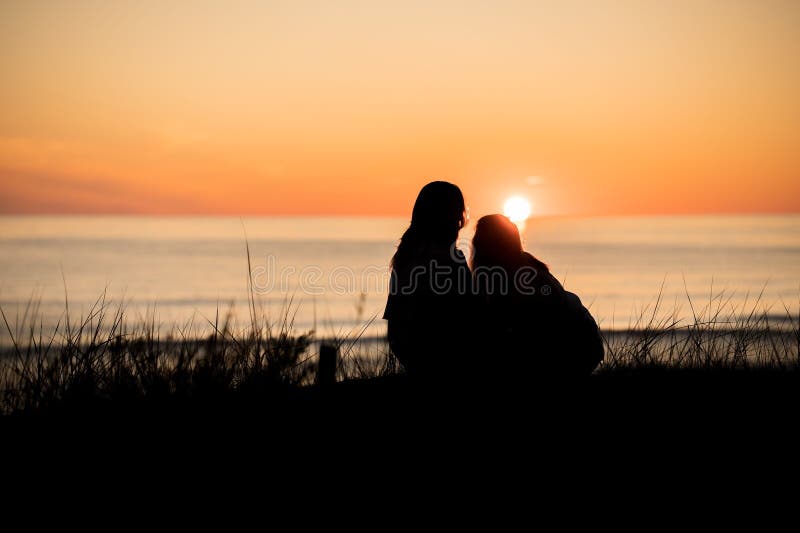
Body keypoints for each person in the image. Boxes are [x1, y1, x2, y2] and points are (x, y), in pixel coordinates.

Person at [471, 214, 603, 377]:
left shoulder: (521, 277)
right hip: (578, 343)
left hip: (578, 349)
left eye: (478, 238)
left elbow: (533, 330)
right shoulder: (517, 267)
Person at [383, 181, 480, 380]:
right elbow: (469, 314)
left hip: (414, 357)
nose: (459, 223)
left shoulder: (406, 255)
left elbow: (395, 327)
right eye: (456, 214)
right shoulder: (446, 259)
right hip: (443, 362)